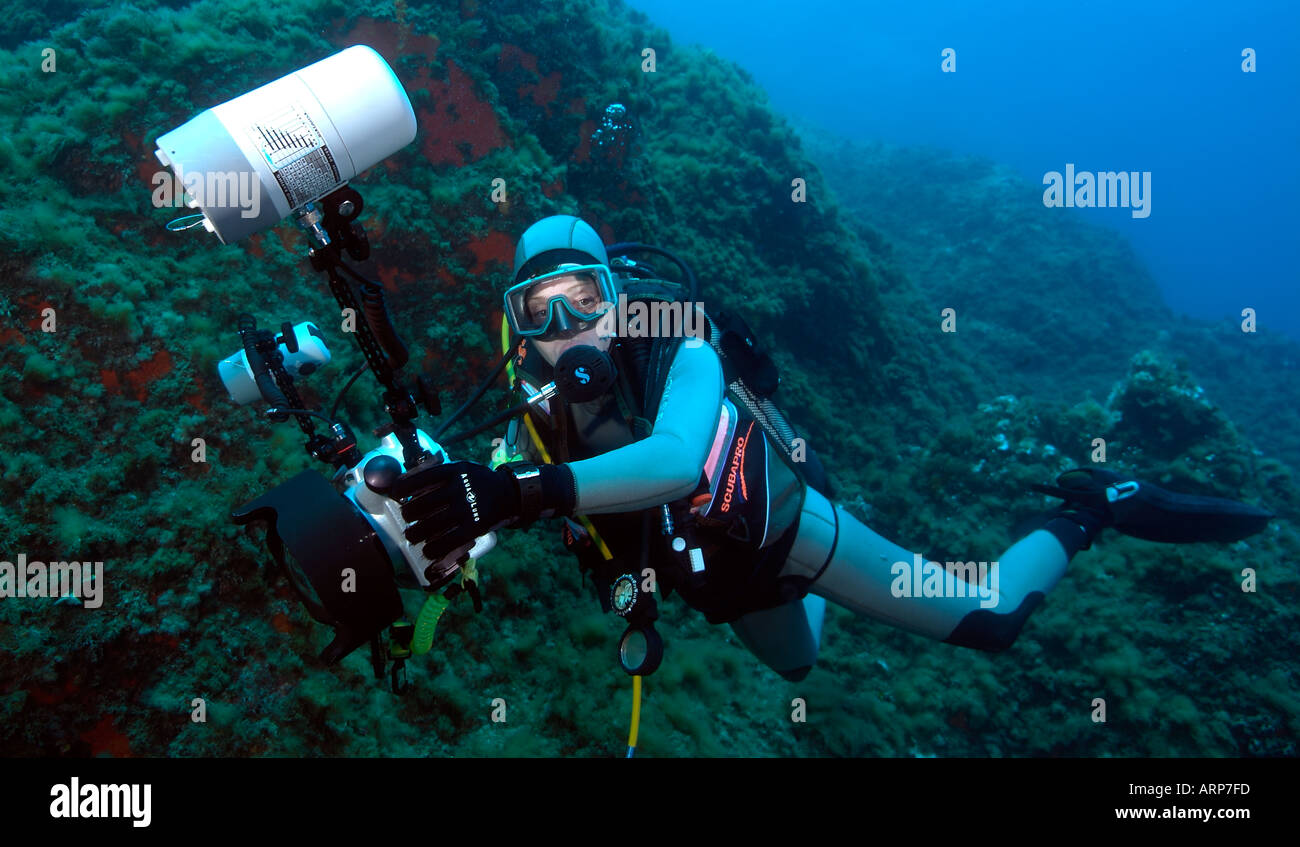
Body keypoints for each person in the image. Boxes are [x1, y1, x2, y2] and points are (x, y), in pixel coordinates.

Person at [388, 215, 1272, 682]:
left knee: (990, 619)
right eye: (536, 310)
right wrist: (442, 533)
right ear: (513, 324)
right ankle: (836, 598)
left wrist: (516, 494)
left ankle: (1089, 509)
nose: (561, 328)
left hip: (792, 533)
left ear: (621, 298)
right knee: (800, 661)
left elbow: (673, 465)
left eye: (582, 298)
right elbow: (489, 500)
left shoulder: (681, 350)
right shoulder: (531, 417)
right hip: (717, 580)